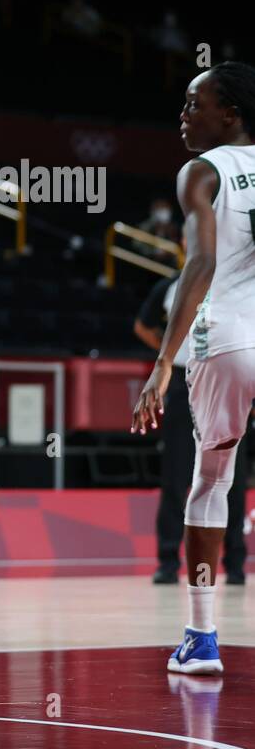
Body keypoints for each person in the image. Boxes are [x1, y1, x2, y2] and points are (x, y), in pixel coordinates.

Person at [132, 61, 255, 676]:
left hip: (228, 339)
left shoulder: (202, 171)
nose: (183, 115)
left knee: (211, 483)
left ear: (229, 113)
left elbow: (201, 262)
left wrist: (161, 364)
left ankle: (202, 640)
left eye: (192, 103)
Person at [134, 266, 248, 586]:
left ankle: (235, 562)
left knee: (233, 478)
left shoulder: (239, 280)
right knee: (176, 473)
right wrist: (166, 358)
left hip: (228, 380)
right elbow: (142, 326)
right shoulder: (171, 286)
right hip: (185, 382)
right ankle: (168, 560)